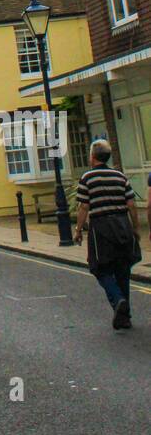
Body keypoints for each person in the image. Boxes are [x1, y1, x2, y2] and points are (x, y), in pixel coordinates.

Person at [74, 140, 141, 330]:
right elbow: (132, 205)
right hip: (122, 225)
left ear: (92, 156)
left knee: (100, 268)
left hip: (101, 228)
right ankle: (124, 317)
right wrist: (135, 228)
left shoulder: (87, 178)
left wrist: (78, 230)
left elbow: (84, 206)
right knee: (123, 270)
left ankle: (118, 299)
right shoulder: (120, 176)